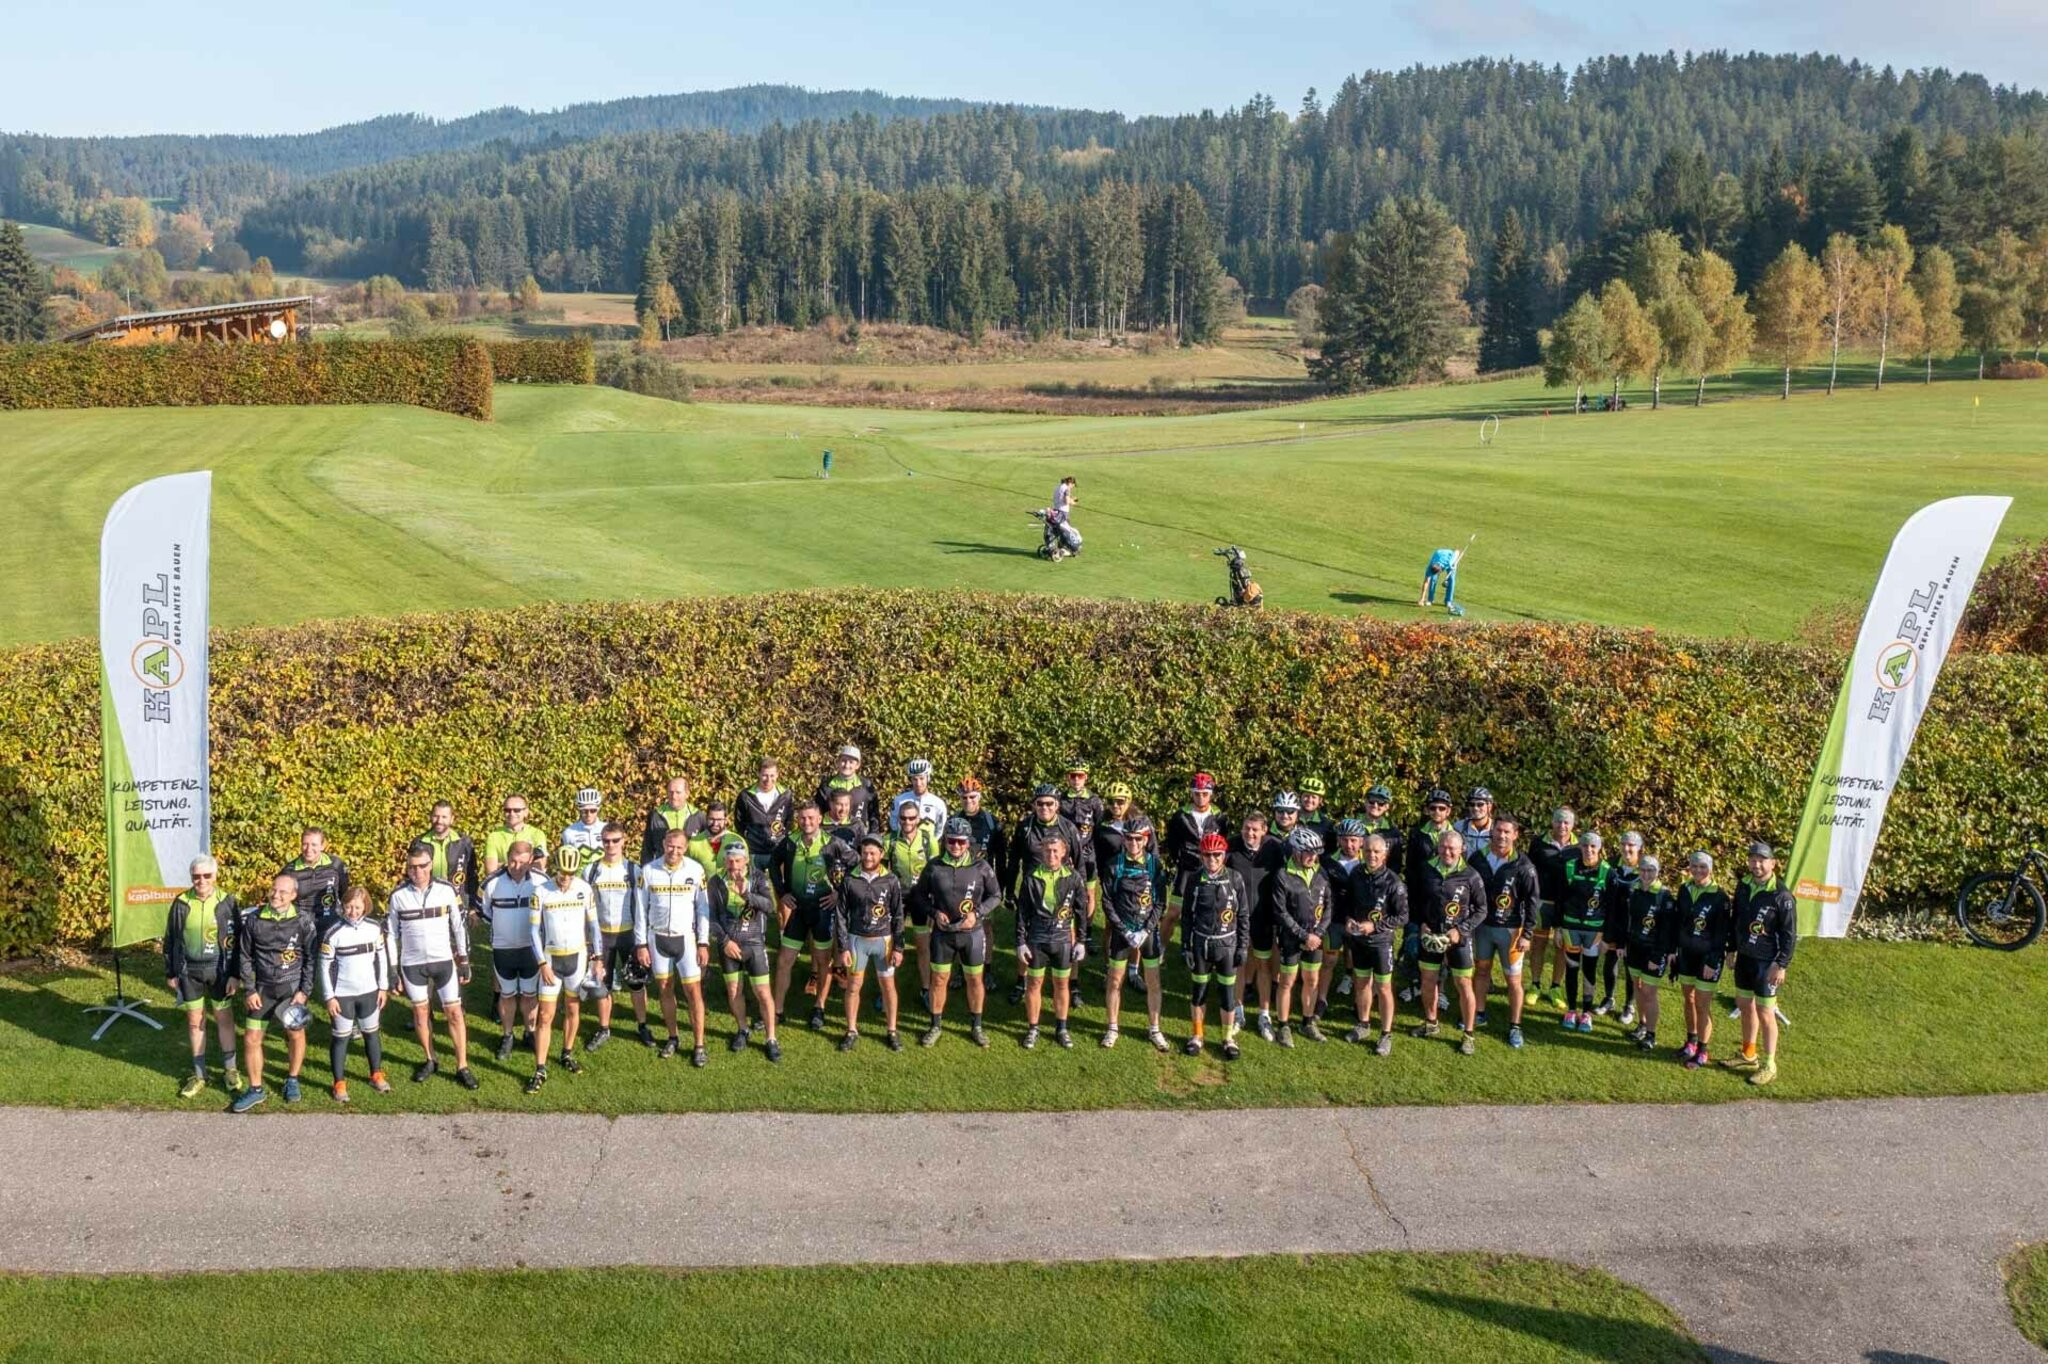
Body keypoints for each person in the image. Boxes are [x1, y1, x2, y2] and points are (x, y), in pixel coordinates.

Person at [386, 842, 478, 1089]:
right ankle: (430, 1059)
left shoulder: (446, 890)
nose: (418, 872)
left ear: (431, 865)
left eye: (423, 866)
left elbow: (459, 926)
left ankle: (462, 1065)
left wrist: (464, 959)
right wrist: (393, 970)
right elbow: (390, 935)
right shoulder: (398, 896)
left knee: (455, 1013)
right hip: (412, 964)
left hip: (443, 961)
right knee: (420, 1013)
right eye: (412, 867)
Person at [227, 872, 317, 1113]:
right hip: (263, 990)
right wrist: (249, 989)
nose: (276, 895)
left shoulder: (303, 921)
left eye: (283, 892)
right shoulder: (254, 920)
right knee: (251, 1038)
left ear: (294, 896)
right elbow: (244, 956)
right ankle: (256, 1089)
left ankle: (292, 1079)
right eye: (273, 890)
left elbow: (310, 958)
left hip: (291, 991)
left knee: (295, 1034)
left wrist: (304, 991)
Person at [915, 817, 1003, 1048]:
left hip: (972, 934)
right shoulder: (934, 866)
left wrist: (978, 913)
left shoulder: (981, 867)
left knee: (974, 979)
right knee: (939, 980)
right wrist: (934, 914)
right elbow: (919, 897)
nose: (956, 846)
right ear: (945, 841)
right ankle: (935, 1025)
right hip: (943, 934)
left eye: (961, 842)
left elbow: (996, 896)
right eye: (951, 841)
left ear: (968, 843)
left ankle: (977, 1026)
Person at [164, 855, 241, 1099]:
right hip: (190, 972)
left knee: (224, 1019)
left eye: (207, 875)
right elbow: (171, 940)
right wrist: (171, 971)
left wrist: (235, 974)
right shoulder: (181, 903)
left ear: (215, 876)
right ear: (191, 878)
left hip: (219, 971)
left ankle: (231, 1070)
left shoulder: (228, 902)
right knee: (195, 1021)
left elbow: (239, 942)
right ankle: (199, 1074)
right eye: (196, 876)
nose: (201, 880)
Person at [528, 848, 603, 1092]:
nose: (565, 878)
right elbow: (533, 932)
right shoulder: (541, 892)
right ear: (555, 869)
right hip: (551, 959)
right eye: (562, 872)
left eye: (570, 873)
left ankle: (566, 1053)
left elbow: (594, 926)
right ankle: (539, 1067)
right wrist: (541, 964)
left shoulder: (584, 889)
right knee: (545, 1016)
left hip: (577, 958)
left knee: (573, 1008)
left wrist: (598, 958)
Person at [636, 827, 711, 1066]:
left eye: (679, 847)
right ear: (663, 844)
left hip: (686, 939)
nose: (674, 851)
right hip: (657, 938)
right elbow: (640, 910)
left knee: (693, 992)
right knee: (665, 989)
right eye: (670, 846)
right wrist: (640, 944)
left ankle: (699, 1045)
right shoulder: (648, 871)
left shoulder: (695, 870)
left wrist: (703, 942)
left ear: (685, 848)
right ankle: (673, 1036)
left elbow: (703, 909)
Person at [1005, 785, 1086, 1005]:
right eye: (1040, 803)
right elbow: (1014, 860)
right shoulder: (1025, 827)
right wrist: (1009, 890)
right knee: (1026, 934)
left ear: (1057, 805)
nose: (1044, 807)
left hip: (1063, 886)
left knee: (1068, 933)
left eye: (1049, 803)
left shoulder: (1068, 828)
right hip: (1033, 888)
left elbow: (1079, 863)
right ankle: (1021, 981)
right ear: (1034, 805)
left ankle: (1073, 984)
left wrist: (1082, 893)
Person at [1725, 842, 1796, 1086]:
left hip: (1767, 963)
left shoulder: (1782, 896)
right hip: (1745, 958)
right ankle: (1748, 1054)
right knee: (1745, 1005)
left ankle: (1769, 1064)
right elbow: (1736, 920)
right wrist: (1731, 950)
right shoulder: (1744, 885)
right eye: (1752, 860)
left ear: (1772, 863)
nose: (1756, 865)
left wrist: (1781, 964)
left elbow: (1789, 934)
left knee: (1766, 1012)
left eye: (1762, 860)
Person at [1096, 815, 1170, 1052]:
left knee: (1153, 981)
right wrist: (1124, 930)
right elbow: (1106, 901)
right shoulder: (1114, 865)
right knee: (1115, 980)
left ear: (1146, 839)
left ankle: (1155, 1028)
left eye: (1138, 839)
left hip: (1147, 932)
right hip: (1123, 931)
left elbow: (1160, 902)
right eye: (1129, 839)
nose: (1133, 844)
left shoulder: (1154, 865)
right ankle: (1112, 1027)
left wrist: (1146, 929)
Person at [1411, 827, 1486, 1053]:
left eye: (1452, 848)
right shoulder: (1426, 869)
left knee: (1463, 985)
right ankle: (1431, 1023)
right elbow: (1414, 901)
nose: (1447, 852)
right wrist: (1421, 924)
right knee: (1428, 980)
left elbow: (1482, 909)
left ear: (1462, 849)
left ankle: (1469, 1035)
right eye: (1443, 847)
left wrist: (1461, 930)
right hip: (1431, 935)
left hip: (1457, 939)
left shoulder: (1471, 875)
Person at [1469, 817, 1540, 1049]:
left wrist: (1527, 934)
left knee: (1513, 980)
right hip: (1482, 928)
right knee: (1481, 971)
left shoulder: (1524, 866)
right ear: (1493, 832)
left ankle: (1515, 1026)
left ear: (1515, 835)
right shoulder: (1477, 858)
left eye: (1507, 832)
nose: (1501, 835)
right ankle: (1479, 1013)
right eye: (1498, 830)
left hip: (1511, 930)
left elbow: (1532, 902)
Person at [771, 800, 841, 1031]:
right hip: (799, 910)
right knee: (783, 961)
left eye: (811, 817)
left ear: (820, 819)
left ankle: (819, 1007)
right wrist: (782, 893)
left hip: (822, 909)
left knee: (822, 962)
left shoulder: (832, 843)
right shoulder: (790, 842)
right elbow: (773, 864)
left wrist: (838, 893)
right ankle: (777, 1011)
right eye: (802, 818)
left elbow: (856, 866)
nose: (806, 822)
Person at [707, 841, 781, 1061]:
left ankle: (771, 1038)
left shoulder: (757, 878)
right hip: (729, 944)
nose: (733, 865)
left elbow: (769, 906)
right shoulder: (716, 881)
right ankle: (742, 1029)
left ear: (746, 860)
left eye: (738, 860)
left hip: (754, 943)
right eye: (729, 860)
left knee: (763, 993)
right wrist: (724, 941)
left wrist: (747, 894)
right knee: (733, 991)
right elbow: (710, 917)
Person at [833, 833, 906, 1052]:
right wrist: (843, 947)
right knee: (854, 986)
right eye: (865, 852)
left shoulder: (891, 879)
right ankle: (851, 1030)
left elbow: (899, 915)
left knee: (888, 987)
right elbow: (841, 915)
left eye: (873, 853)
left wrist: (899, 947)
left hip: (883, 941)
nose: (868, 857)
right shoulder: (850, 878)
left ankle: (892, 1030)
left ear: (881, 854)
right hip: (857, 941)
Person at [1180, 832, 1250, 1060]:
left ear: (1224, 856)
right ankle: (1197, 1036)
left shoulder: (1235, 878)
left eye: (1217, 855)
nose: (1212, 860)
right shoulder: (1194, 879)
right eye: (1207, 855)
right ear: (1201, 856)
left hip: (1227, 946)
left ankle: (1228, 1038)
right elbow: (1187, 915)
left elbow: (1243, 915)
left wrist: (1242, 947)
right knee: (1199, 992)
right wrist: (1185, 946)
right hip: (1202, 944)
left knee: (1227, 995)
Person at [1013, 834, 1086, 1050]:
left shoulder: (1073, 877)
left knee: (1061, 984)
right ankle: (1033, 1028)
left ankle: (1061, 1028)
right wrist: (1020, 941)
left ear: (1063, 852)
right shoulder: (1031, 876)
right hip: (1037, 938)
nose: (1051, 855)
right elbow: (1022, 912)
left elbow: (1081, 911)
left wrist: (1081, 940)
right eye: (1047, 850)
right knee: (1034, 983)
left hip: (1063, 939)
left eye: (1055, 851)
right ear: (1041, 852)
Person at [319, 886, 391, 1103]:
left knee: (371, 1034)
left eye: (358, 907)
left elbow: (382, 958)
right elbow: (324, 967)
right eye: (349, 906)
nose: (353, 911)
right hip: (342, 995)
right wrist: (329, 997)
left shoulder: (374, 928)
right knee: (341, 1038)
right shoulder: (333, 933)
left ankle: (376, 1074)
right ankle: (339, 1083)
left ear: (365, 906)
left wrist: (383, 987)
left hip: (370, 992)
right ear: (343, 906)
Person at [581, 822, 647, 1050]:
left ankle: (642, 1025)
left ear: (624, 840)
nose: (610, 845)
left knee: (636, 982)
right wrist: (588, 939)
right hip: (601, 936)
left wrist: (641, 942)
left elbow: (641, 907)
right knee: (601, 985)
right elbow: (585, 908)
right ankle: (604, 1028)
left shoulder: (634, 870)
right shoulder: (590, 870)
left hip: (628, 933)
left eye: (615, 840)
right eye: (606, 840)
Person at [1341, 833, 1408, 1054]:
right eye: (1368, 851)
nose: (1372, 855)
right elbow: (1348, 904)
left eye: (1377, 852)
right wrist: (1349, 919)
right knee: (1361, 983)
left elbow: (1402, 917)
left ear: (1385, 854)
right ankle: (1363, 1024)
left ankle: (1386, 1034)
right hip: (1359, 941)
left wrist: (1375, 927)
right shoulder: (1356, 874)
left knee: (1384, 987)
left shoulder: (1393, 881)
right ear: (1362, 851)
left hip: (1381, 943)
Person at [480, 841, 546, 1060]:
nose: (516, 866)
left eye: (522, 862)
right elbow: (486, 911)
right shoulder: (492, 883)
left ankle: (530, 1032)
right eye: (512, 861)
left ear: (530, 861)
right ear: (506, 858)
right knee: (506, 995)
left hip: (530, 949)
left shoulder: (542, 882)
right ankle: (507, 1036)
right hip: (503, 948)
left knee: (529, 994)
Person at [1269, 826, 1332, 1045]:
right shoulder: (1282, 875)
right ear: (1295, 851)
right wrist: (1303, 936)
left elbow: (1328, 907)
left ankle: (1307, 1022)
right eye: (1308, 852)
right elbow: (1280, 912)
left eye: (1315, 853)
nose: (1312, 857)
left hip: (1315, 938)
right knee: (1287, 981)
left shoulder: (1321, 873)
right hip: (1291, 938)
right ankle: (1283, 1025)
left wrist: (1318, 933)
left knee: (1312, 979)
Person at [1674, 852, 1732, 1070]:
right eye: (1694, 866)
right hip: (1686, 954)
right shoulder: (1684, 889)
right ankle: (1691, 1041)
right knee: (1688, 999)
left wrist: (1712, 960)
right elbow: (1678, 922)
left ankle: (1703, 1051)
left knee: (1702, 1003)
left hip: (1707, 958)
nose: (1698, 870)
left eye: (1702, 867)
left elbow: (1722, 933)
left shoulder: (1720, 896)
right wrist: (1673, 951)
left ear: (1711, 869)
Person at [1232, 810, 1286, 1041]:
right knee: (1239, 964)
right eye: (1246, 828)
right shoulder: (1231, 845)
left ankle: (1264, 1014)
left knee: (1263, 965)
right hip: (1236, 917)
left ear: (1265, 830)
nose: (1250, 833)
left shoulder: (1275, 848)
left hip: (1264, 917)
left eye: (1255, 829)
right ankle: (1238, 1010)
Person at [885, 797, 942, 1005]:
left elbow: (936, 870)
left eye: (911, 819)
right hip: (898, 896)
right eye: (903, 819)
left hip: (921, 896)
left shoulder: (929, 840)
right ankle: (886, 989)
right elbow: (883, 871)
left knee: (922, 944)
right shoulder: (890, 840)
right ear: (898, 819)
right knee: (891, 943)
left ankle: (926, 989)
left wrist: (935, 896)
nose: (907, 823)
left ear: (918, 819)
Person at [1557, 832, 1614, 1033]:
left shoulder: (1608, 872)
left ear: (1599, 849)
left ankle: (1586, 1013)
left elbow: (1613, 907)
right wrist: (1557, 927)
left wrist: (1608, 937)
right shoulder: (1570, 866)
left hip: (1594, 931)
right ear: (1579, 847)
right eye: (1584, 846)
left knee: (1589, 970)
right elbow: (1560, 898)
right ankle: (1571, 1010)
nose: (1588, 850)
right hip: (1571, 927)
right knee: (1571, 968)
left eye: (1593, 847)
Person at [1313, 819, 1370, 1020]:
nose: (1349, 845)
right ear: (1338, 840)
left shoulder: (1368, 861)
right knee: (1329, 960)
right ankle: (1321, 1000)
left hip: (1358, 921)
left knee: (1357, 962)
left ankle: (1358, 1001)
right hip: (1335, 919)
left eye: (1354, 840)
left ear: (1362, 841)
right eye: (1345, 840)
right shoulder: (1327, 861)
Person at [1620, 856, 1678, 1054]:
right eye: (1643, 870)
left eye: (1650, 871)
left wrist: (1657, 955)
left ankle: (1651, 1035)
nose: (1646, 874)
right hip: (1634, 948)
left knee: (1649, 993)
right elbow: (1627, 921)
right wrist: (1623, 944)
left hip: (1653, 952)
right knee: (1637, 987)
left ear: (1657, 872)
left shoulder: (1665, 896)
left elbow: (1667, 931)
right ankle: (1641, 1025)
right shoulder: (1634, 891)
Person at [1527, 807, 1578, 1007]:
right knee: (1538, 945)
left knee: (1561, 947)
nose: (1562, 826)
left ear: (1573, 825)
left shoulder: (1578, 847)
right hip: (1542, 903)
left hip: (1566, 907)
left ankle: (1555, 987)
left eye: (1567, 822)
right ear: (1552, 822)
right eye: (1558, 821)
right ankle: (1535, 985)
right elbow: (1529, 872)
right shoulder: (1538, 843)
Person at [1163, 773, 1225, 934]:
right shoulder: (1180, 815)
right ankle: (1159, 951)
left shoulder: (1220, 817)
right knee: (1174, 913)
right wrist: (1181, 859)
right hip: (1187, 870)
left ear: (1211, 794)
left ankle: (1198, 949)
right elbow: (1172, 842)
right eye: (1197, 794)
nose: (1201, 798)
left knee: (1206, 912)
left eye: (1205, 794)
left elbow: (1224, 844)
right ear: (1191, 793)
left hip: (1210, 870)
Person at [1600, 831, 1646, 1021]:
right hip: (1612, 923)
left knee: (1630, 968)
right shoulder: (1611, 866)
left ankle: (1629, 1005)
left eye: (1631, 846)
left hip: (1632, 927)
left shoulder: (1645, 869)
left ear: (1639, 849)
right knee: (1610, 962)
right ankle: (1609, 998)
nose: (1626, 849)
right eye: (1623, 844)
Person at [280, 827, 349, 936]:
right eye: (305, 844)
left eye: (314, 845)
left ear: (322, 846)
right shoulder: (289, 871)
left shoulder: (336, 865)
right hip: (301, 929)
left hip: (331, 926)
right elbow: (282, 903)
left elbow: (344, 894)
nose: (308, 849)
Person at [415, 801, 478, 910]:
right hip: (427, 903)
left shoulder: (463, 843)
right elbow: (411, 875)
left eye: (444, 817)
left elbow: (472, 876)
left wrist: (473, 907)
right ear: (430, 816)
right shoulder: (419, 843)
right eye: (436, 816)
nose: (439, 821)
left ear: (452, 819)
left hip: (457, 902)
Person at [737, 759, 794, 871]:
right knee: (755, 887)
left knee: (778, 887)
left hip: (777, 851)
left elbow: (789, 821)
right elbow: (739, 822)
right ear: (758, 774)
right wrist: (750, 838)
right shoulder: (746, 796)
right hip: (754, 852)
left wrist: (779, 837)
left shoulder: (786, 795)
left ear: (777, 775)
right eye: (764, 775)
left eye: (772, 775)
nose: (768, 780)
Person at [815, 744, 880, 836]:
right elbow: (818, 812)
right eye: (843, 761)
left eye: (851, 762)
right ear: (838, 762)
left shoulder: (866, 785)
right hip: (829, 835)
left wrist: (874, 836)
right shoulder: (826, 785)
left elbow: (874, 815)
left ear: (857, 765)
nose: (846, 765)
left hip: (858, 836)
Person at [640, 776, 706, 865]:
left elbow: (706, 849)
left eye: (678, 792)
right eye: (671, 792)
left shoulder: (698, 816)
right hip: (661, 870)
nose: (674, 796)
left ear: (687, 794)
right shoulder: (655, 815)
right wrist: (644, 870)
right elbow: (647, 848)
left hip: (689, 871)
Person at [483, 796, 549, 876]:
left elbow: (539, 867)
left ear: (526, 812)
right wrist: (525, 865)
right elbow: (491, 871)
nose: (512, 813)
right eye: (507, 810)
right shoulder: (493, 837)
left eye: (517, 810)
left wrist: (503, 865)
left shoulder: (537, 834)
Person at [891, 758, 948, 834]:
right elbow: (894, 824)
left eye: (922, 778)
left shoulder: (938, 803)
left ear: (928, 778)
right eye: (915, 779)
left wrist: (932, 842)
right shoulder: (899, 800)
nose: (918, 783)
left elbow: (941, 829)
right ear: (911, 779)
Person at [560, 788, 606, 856]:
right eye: (585, 811)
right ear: (579, 811)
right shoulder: (569, 832)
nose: (589, 814)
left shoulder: (608, 829)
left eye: (593, 810)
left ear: (598, 809)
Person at [1417, 544, 1463, 609]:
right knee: (1432, 580)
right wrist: (1422, 599)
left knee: (1451, 580)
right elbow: (1426, 582)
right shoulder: (1430, 567)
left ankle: (1448, 601)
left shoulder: (1449, 562)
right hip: (1438, 554)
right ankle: (1430, 599)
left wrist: (1455, 564)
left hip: (1450, 559)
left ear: (1440, 571)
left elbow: (1458, 551)